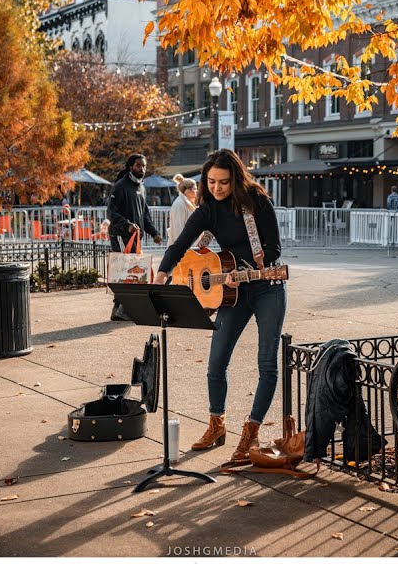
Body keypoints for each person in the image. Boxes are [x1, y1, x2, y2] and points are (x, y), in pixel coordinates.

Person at [154, 149, 284, 465]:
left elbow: (273, 248)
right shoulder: (208, 208)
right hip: (232, 294)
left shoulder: (255, 200)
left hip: (267, 286)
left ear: (235, 179)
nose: (216, 188)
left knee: (266, 364)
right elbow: (180, 245)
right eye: (211, 181)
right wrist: (161, 276)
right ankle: (217, 425)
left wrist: (240, 269)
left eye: (223, 182)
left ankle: (250, 432)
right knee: (216, 364)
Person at [107, 153, 162, 320]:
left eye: (144, 166)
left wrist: (154, 233)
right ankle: (123, 310)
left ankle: (119, 310)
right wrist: (127, 225)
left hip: (136, 237)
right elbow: (111, 213)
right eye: (139, 165)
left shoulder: (141, 187)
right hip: (121, 235)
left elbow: (145, 214)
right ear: (130, 167)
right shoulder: (120, 186)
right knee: (125, 271)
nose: (142, 169)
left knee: (130, 272)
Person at [167, 173, 197, 244]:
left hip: (189, 245)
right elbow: (178, 229)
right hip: (181, 248)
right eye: (195, 188)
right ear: (188, 190)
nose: (197, 191)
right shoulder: (180, 204)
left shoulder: (187, 203)